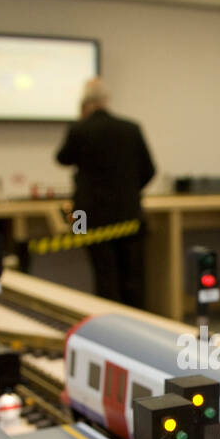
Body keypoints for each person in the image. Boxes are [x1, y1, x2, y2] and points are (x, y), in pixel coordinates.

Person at [55, 78, 155, 307]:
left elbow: (62, 158)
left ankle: (109, 326)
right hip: (129, 213)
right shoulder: (131, 128)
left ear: (85, 103)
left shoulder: (80, 128)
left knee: (105, 276)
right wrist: (128, 191)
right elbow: (150, 170)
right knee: (133, 277)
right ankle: (140, 326)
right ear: (106, 100)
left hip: (89, 216)